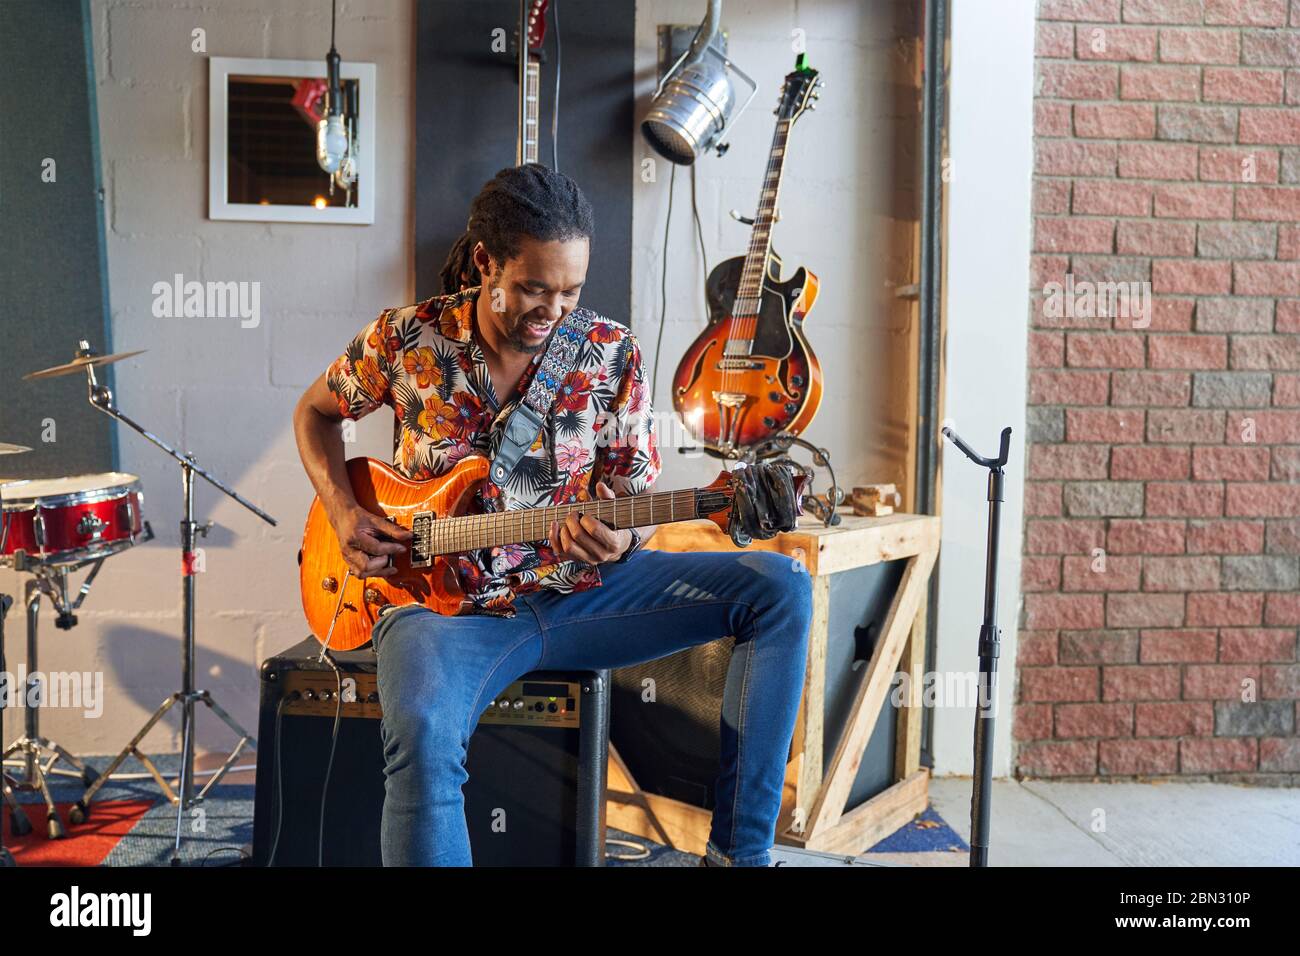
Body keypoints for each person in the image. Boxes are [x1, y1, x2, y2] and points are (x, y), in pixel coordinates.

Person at [292, 163, 812, 866]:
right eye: (535, 288)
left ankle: (739, 856)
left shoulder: (609, 353)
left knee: (779, 589)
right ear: (485, 262)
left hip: (581, 597)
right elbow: (316, 412)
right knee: (418, 728)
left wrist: (618, 537)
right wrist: (343, 509)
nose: (555, 308)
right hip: (445, 611)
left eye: (570, 289)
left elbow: (634, 507)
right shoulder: (404, 339)